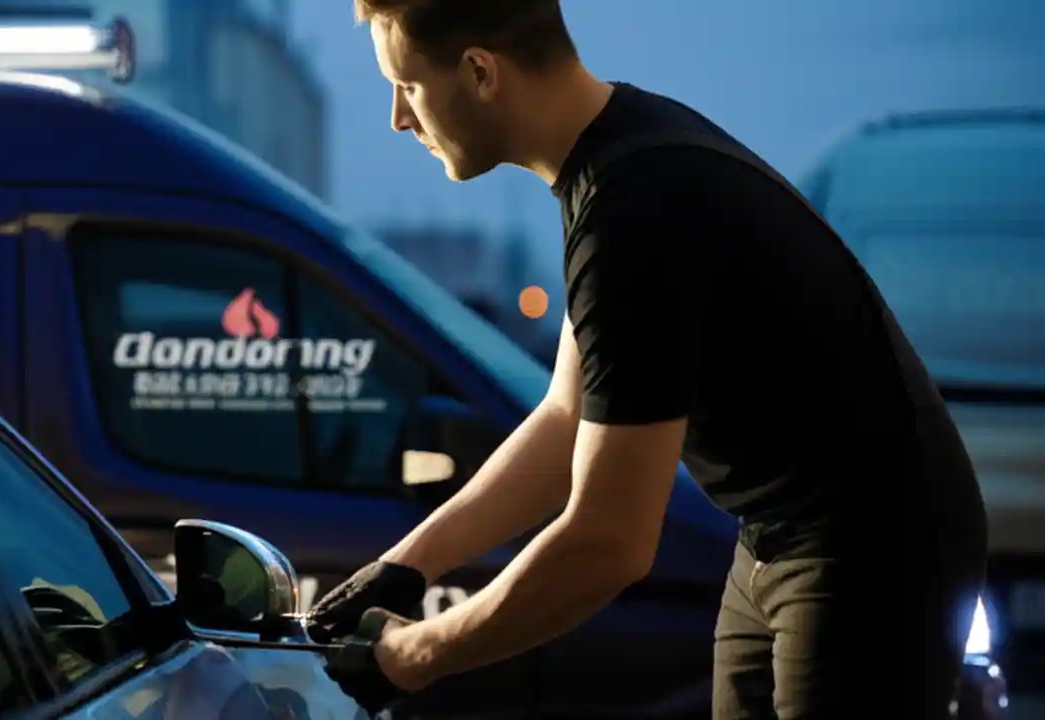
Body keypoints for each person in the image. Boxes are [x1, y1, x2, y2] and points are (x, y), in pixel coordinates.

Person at [312, 1, 989, 718]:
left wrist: (415, 656)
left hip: (875, 543)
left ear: (481, 73)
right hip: (776, 537)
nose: (398, 118)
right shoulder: (615, 163)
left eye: (407, 85)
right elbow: (567, 418)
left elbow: (608, 544)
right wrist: (404, 566)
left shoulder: (635, 208)